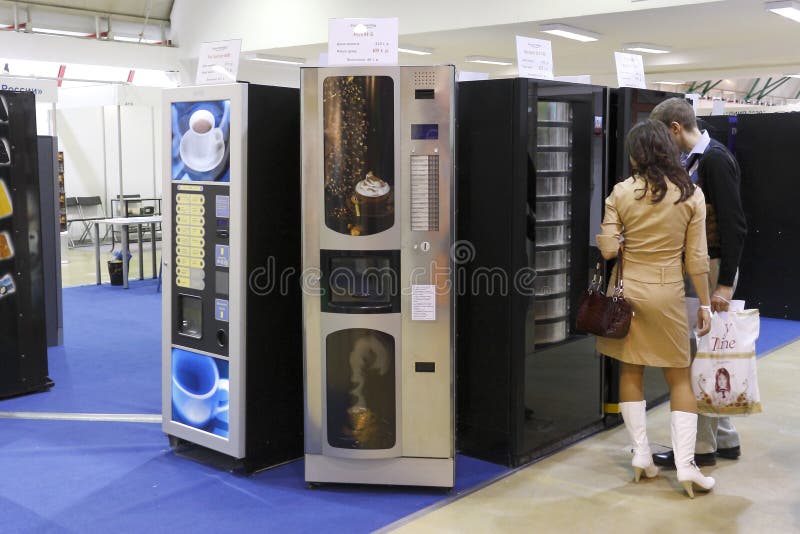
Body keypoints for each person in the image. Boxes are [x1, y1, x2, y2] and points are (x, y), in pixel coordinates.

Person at [596, 120, 714, 498]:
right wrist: (707, 304)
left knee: (631, 369)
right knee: (679, 377)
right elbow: (697, 258)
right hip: (667, 292)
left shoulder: (621, 192)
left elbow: (609, 249)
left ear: (636, 154)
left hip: (626, 289)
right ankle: (686, 467)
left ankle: (642, 456)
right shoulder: (690, 195)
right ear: (668, 148)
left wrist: (622, 238)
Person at [650, 98, 748, 468]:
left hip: (713, 268)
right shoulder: (695, 160)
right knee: (710, 352)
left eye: (663, 136)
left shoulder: (715, 160)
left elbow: (735, 224)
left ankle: (699, 447)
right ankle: (724, 437)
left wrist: (724, 284)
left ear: (676, 128)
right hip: (704, 266)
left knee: (700, 357)